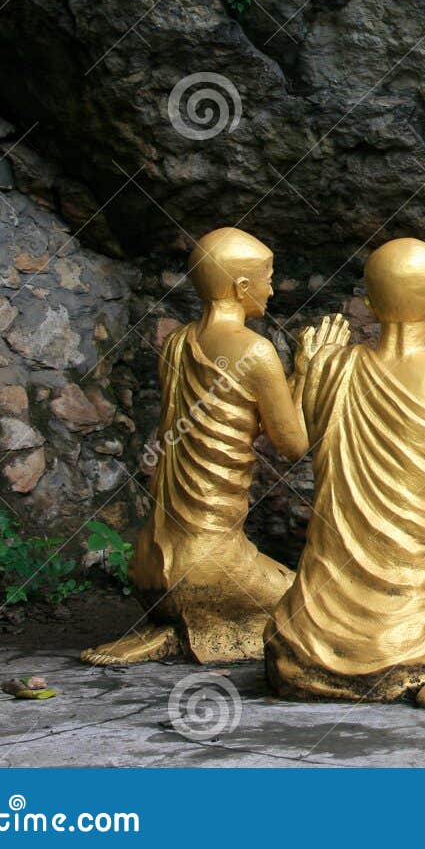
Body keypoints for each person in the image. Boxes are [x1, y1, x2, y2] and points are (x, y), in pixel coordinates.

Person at [265, 239, 425, 707]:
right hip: (407, 636)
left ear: (368, 303)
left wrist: (306, 369)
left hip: (302, 641)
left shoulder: (330, 366)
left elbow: (292, 444)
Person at [82, 228, 307, 665]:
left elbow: (226, 424)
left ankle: (172, 629)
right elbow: (293, 444)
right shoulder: (255, 351)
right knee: (314, 603)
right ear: (242, 288)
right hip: (210, 564)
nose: (273, 289)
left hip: (151, 562)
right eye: (268, 277)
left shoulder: (176, 343)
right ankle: (191, 632)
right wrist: (308, 374)